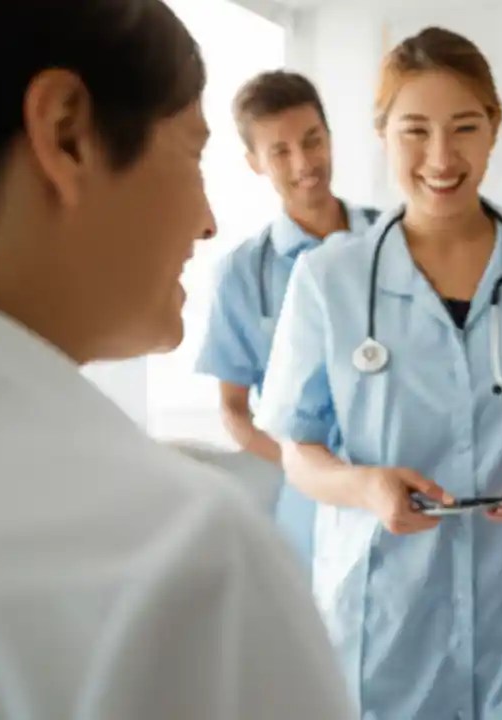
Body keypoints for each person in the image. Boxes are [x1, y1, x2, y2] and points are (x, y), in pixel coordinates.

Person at [0, 2, 351, 718]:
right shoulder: (179, 557)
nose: (207, 219)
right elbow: (241, 412)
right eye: (191, 152)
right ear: (67, 134)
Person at [257, 26, 502, 719]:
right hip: (388, 600)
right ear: (381, 134)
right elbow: (297, 453)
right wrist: (364, 486)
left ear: (493, 129)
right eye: (415, 130)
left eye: (465, 127)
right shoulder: (328, 279)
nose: (441, 156)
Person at [195, 70, 378, 574]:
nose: (304, 164)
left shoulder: (397, 242)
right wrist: (315, 468)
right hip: (306, 507)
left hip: (401, 484)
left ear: (330, 137)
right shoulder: (241, 275)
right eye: (280, 151)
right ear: (254, 163)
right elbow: (233, 410)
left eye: (312, 141)